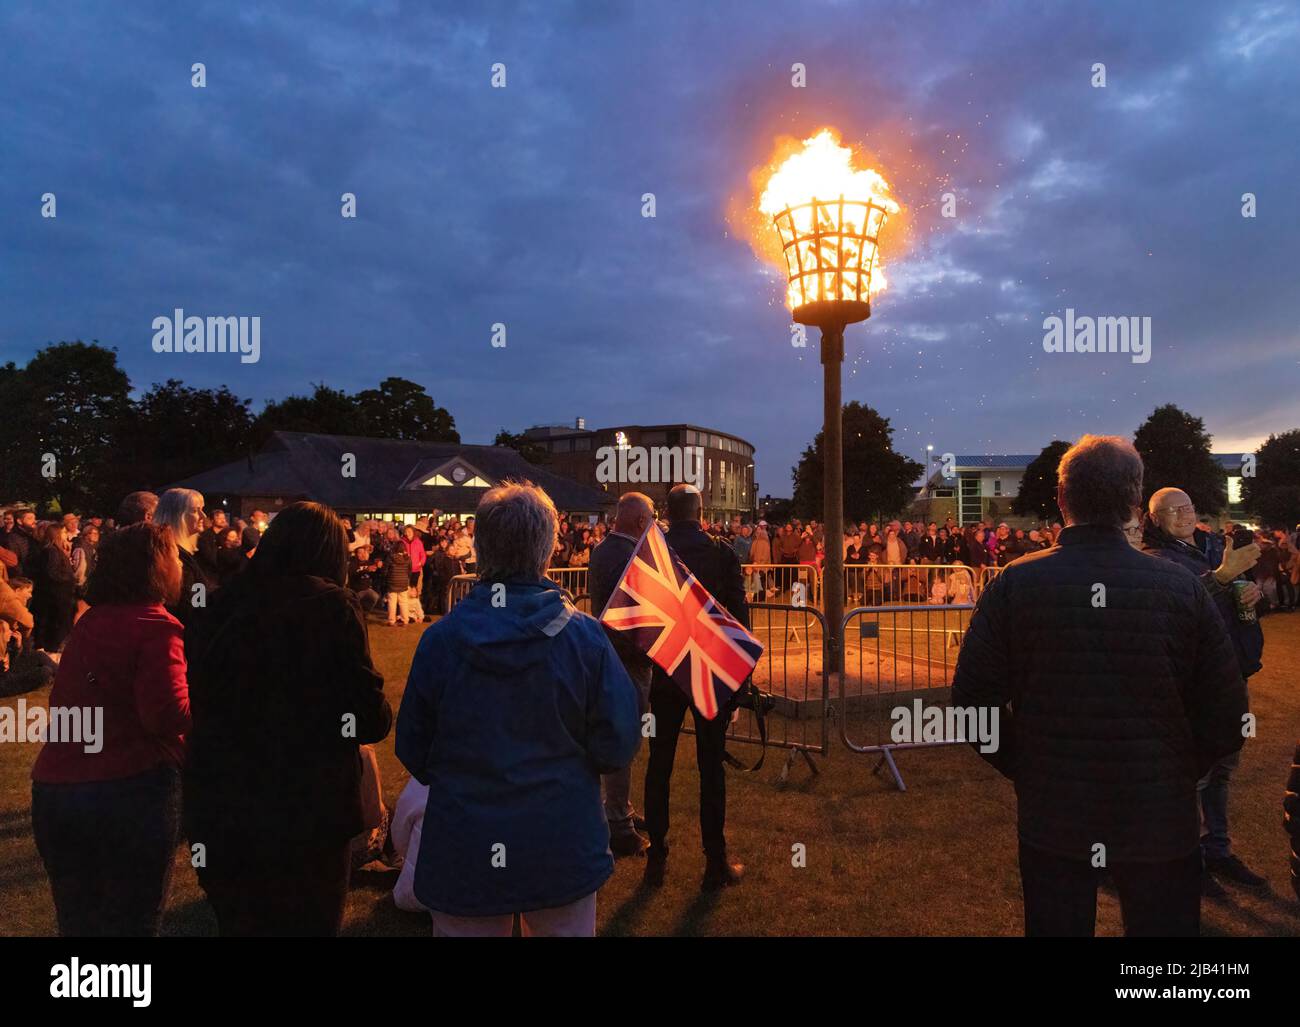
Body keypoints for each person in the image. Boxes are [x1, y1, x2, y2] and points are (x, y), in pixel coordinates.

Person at [951, 435, 1247, 937]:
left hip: (1060, 813)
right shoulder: (1180, 589)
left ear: (1063, 500)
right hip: (1156, 813)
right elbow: (1226, 711)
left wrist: (1027, 765)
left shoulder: (1017, 584)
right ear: (1134, 502)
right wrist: (1180, 770)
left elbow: (972, 705)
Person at [395, 483, 640, 936]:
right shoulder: (585, 641)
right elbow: (617, 743)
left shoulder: (441, 642)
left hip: (467, 846)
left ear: (483, 548)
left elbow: (414, 748)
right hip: (558, 845)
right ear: (546, 550)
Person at [184, 501, 392, 936]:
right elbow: (367, 715)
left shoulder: (222, 604)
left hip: (227, 802)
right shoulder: (331, 605)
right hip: (306, 810)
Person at [31, 523, 190, 936]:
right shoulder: (156, 626)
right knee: (133, 919)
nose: (180, 564)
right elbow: (166, 715)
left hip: (58, 788)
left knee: (79, 919)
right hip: (130, 789)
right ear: (156, 566)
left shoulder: (90, 622)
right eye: (174, 555)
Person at [1143, 487, 1266, 893]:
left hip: (1233, 667)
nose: (1183, 514)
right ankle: (1190, 858)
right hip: (1196, 677)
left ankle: (1218, 850)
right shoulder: (1154, 556)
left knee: (1224, 768)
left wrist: (1251, 594)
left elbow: (1237, 593)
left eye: (1188, 507)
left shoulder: (1214, 545)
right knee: (1195, 771)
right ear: (1155, 518)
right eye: (1172, 510)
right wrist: (1224, 576)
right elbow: (1181, 604)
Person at [643, 483, 749, 891]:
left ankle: (658, 853)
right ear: (701, 511)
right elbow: (739, 618)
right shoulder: (721, 554)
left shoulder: (654, 554)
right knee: (711, 767)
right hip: (708, 671)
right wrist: (738, 681)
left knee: (659, 763)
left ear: (667, 512)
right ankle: (715, 860)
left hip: (666, 672)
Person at [588, 492, 657, 858]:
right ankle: (617, 823)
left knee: (622, 736)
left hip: (613, 654)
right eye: (651, 518)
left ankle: (621, 808)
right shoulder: (629, 554)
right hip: (627, 658)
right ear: (639, 521)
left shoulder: (604, 550)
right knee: (624, 739)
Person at [154, 489, 214, 628]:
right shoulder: (171, 556)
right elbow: (190, 601)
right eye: (194, 510)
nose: (203, 516)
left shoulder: (187, 553)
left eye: (202, 509)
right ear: (176, 515)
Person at [32, 524, 77, 652]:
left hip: (59, 593)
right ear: (56, 534)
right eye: (63, 532)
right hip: (57, 594)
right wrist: (69, 578)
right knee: (57, 623)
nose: (65, 534)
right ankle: (51, 649)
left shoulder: (56, 550)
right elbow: (52, 573)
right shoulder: (52, 551)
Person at [382, 528, 413, 626]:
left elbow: (385, 570)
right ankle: (405, 619)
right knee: (403, 602)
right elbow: (409, 571)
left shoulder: (390, 557)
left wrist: (385, 577)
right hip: (403, 582)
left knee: (392, 602)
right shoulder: (408, 558)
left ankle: (392, 620)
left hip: (392, 582)